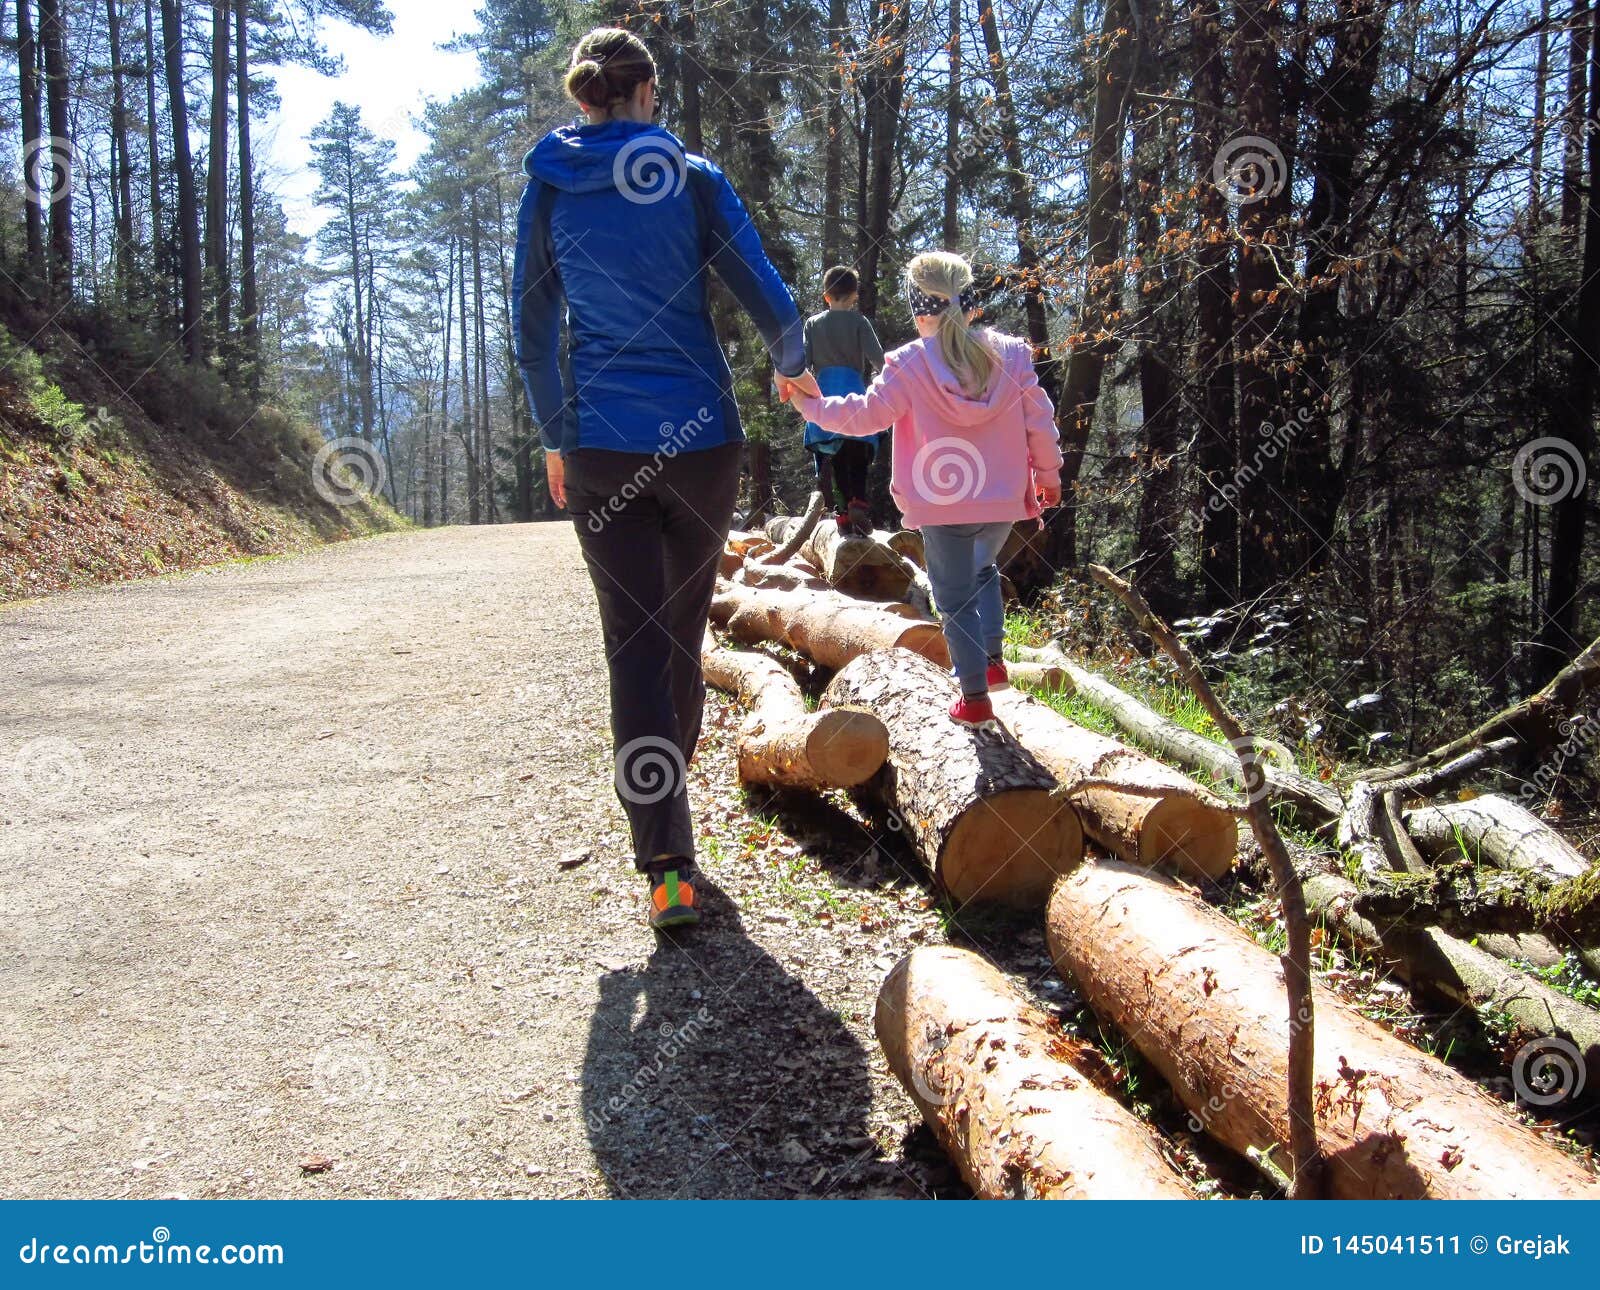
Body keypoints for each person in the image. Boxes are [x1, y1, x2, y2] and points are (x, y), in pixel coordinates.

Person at [513, 26, 820, 930]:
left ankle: (666, 859)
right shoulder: (689, 178)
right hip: (700, 444)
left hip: (604, 444)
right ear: (646, 93)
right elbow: (763, 288)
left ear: (582, 100)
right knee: (678, 632)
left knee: (635, 644)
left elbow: (532, 330)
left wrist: (557, 435)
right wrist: (790, 358)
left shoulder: (548, 187)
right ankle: (668, 807)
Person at [784, 251, 1063, 728]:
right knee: (983, 571)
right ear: (969, 302)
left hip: (942, 500)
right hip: (1000, 498)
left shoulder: (910, 363)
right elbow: (1039, 417)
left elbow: (862, 415)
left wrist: (811, 407)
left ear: (918, 310)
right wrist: (1049, 475)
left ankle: (974, 698)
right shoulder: (1011, 355)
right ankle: (992, 661)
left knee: (952, 597)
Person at [801, 266, 886, 535]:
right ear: (854, 297)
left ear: (826, 295)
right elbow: (879, 360)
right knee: (859, 450)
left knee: (835, 456)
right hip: (854, 393)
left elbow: (803, 363)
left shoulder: (813, 324)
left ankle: (843, 515)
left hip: (825, 395)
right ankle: (858, 500)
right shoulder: (860, 322)